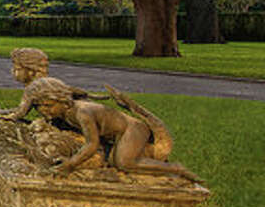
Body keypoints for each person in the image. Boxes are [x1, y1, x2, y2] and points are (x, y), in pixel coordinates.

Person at [21, 77, 202, 182]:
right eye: (40, 107)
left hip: (133, 129)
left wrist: (71, 164)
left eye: (48, 106)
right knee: (114, 163)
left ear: (61, 100)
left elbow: (92, 144)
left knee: (125, 163)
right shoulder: (65, 114)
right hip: (118, 136)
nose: (45, 111)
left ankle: (175, 169)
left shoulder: (81, 113)